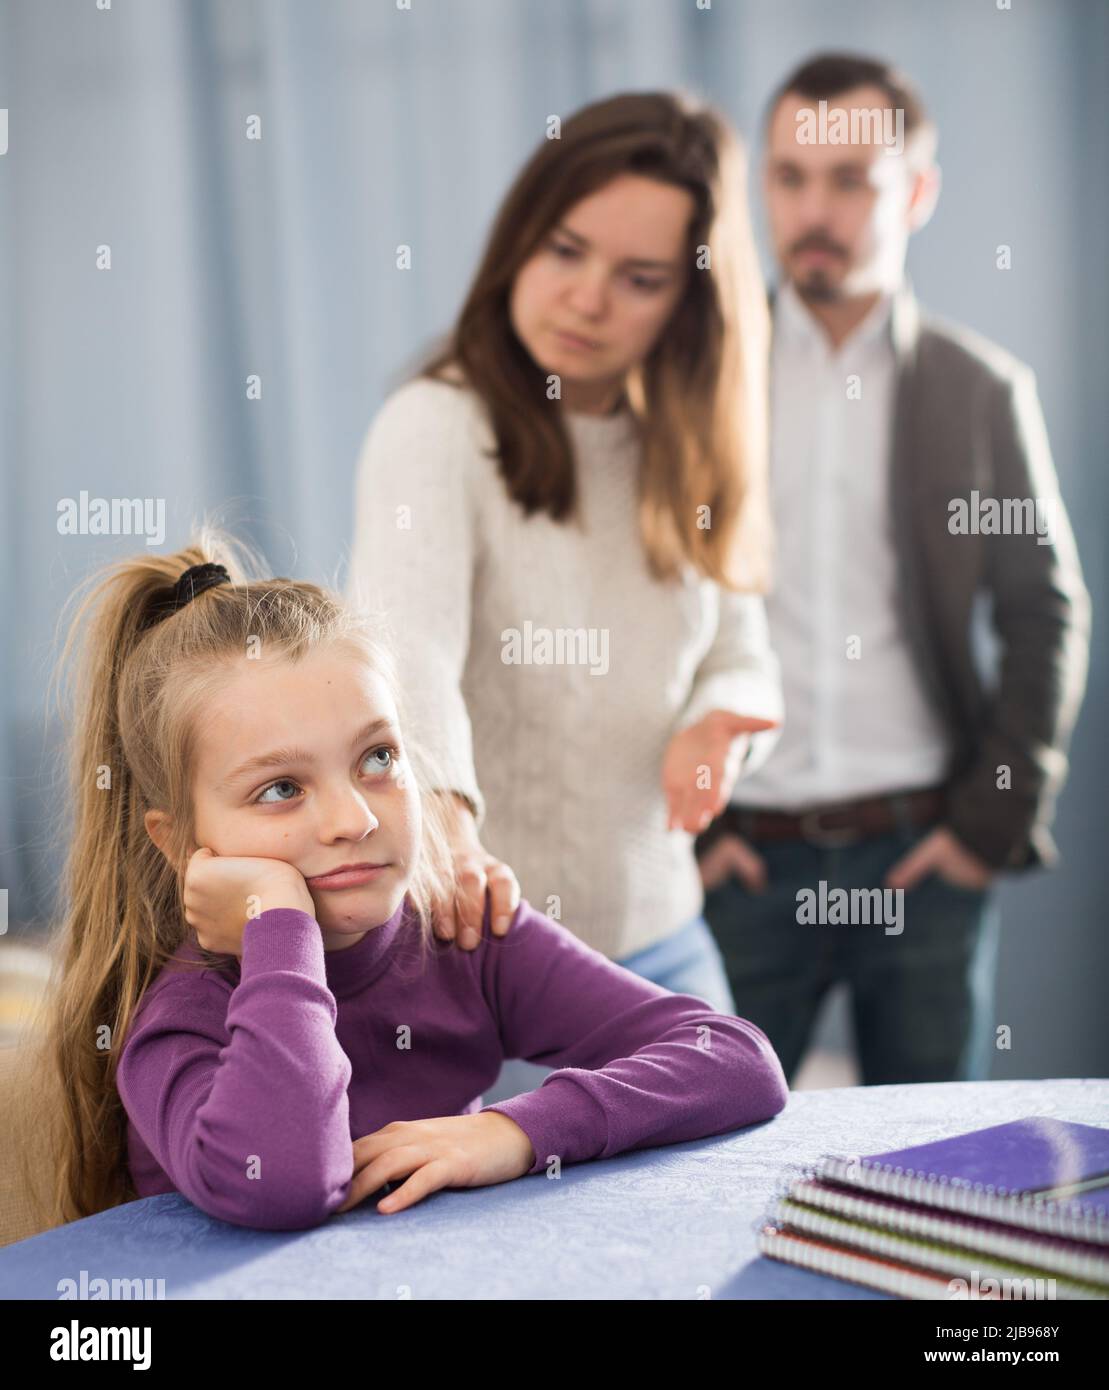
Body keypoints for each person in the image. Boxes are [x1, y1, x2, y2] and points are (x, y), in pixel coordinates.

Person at [15, 533, 788, 1231]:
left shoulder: (460, 932)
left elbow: (734, 1058)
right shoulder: (180, 1015)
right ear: (179, 842)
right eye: (281, 788)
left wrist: (513, 1132)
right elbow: (283, 1184)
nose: (353, 818)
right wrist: (279, 928)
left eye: (377, 759)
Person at [348, 91, 782, 1028]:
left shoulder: (688, 445)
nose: (586, 299)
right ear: (520, 239)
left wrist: (719, 729)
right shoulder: (435, 427)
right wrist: (451, 826)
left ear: (691, 299)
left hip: (665, 935)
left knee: (746, 1157)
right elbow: (403, 653)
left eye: (640, 277)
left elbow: (740, 652)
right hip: (490, 952)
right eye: (565, 251)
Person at [698, 53, 1090, 1085]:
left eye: (848, 181)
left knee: (932, 1177)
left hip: (921, 853)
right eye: (787, 177)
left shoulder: (978, 391)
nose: (810, 209)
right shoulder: (700, 377)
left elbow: (1043, 613)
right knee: (698, 1168)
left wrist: (984, 830)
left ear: (914, 193)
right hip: (741, 858)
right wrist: (688, 835)